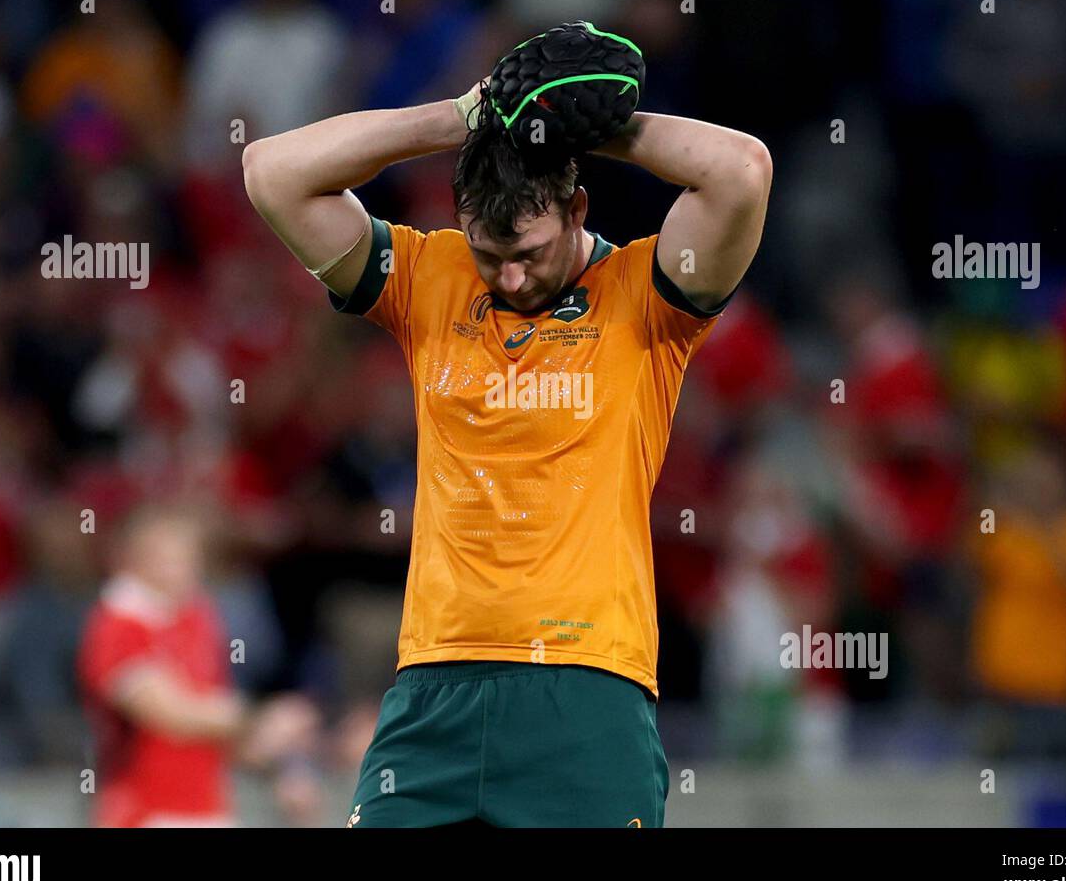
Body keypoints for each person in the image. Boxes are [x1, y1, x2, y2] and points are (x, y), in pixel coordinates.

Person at [243, 46, 772, 826]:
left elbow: (742, 170)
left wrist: (580, 128)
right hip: (433, 688)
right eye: (490, 256)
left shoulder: (646, 297)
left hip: (586, 685)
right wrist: (462, 117)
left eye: (527, 253)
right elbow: (269, 171)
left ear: (578, 208)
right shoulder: (429, 276)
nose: (511, 279)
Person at [77, 503, 316, 826]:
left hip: (207, 807)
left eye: (187, 557)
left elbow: (218, 717)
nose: (182, 569)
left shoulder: (197, 615)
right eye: (167, 558)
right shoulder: (117, 623)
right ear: (131, 560)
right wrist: (262, 718)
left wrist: (286, 765)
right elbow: (171, 713)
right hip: (143, 812)